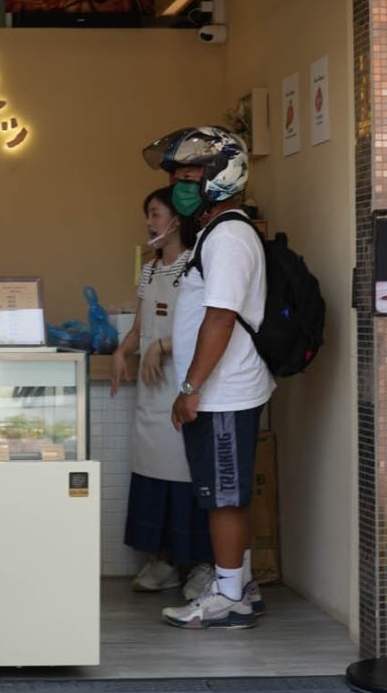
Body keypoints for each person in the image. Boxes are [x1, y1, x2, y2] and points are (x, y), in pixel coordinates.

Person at [142, 126, 274, 628]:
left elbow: (219, 318)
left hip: (224, 391)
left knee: (223, 496)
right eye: (175, 174)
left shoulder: (230, 237)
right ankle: (239, 583)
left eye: (190, 174)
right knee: (225, 493)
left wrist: (191, 389)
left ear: (222, 176)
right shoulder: (218, 232)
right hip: (220, 389)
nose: (179, 183)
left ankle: (229, 597)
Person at [109, 187, 211, 592]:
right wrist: (123, 351)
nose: (149, 222)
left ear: (176, 218)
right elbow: (139, 326)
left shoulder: (194, 267)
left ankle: (202, 564)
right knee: (151, 473)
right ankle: (162, 561)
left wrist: (163, 345)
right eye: (147, 214)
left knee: (185, 474)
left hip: (181, 384)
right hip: (150, 394)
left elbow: (207, 327)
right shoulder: (150, 269)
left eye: (154, 214)